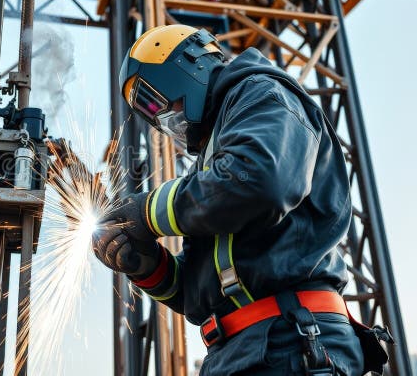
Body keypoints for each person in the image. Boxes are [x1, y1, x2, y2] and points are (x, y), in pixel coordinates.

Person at [93, 25, 390, 375]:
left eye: (157, 101)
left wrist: (146, 213)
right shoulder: (212, 161)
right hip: (239, 351)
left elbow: (261, 182)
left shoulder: (261, 93)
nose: (162, 118)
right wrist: (147, 266)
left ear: (188, 68)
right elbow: (198, 297)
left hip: (292, 341)